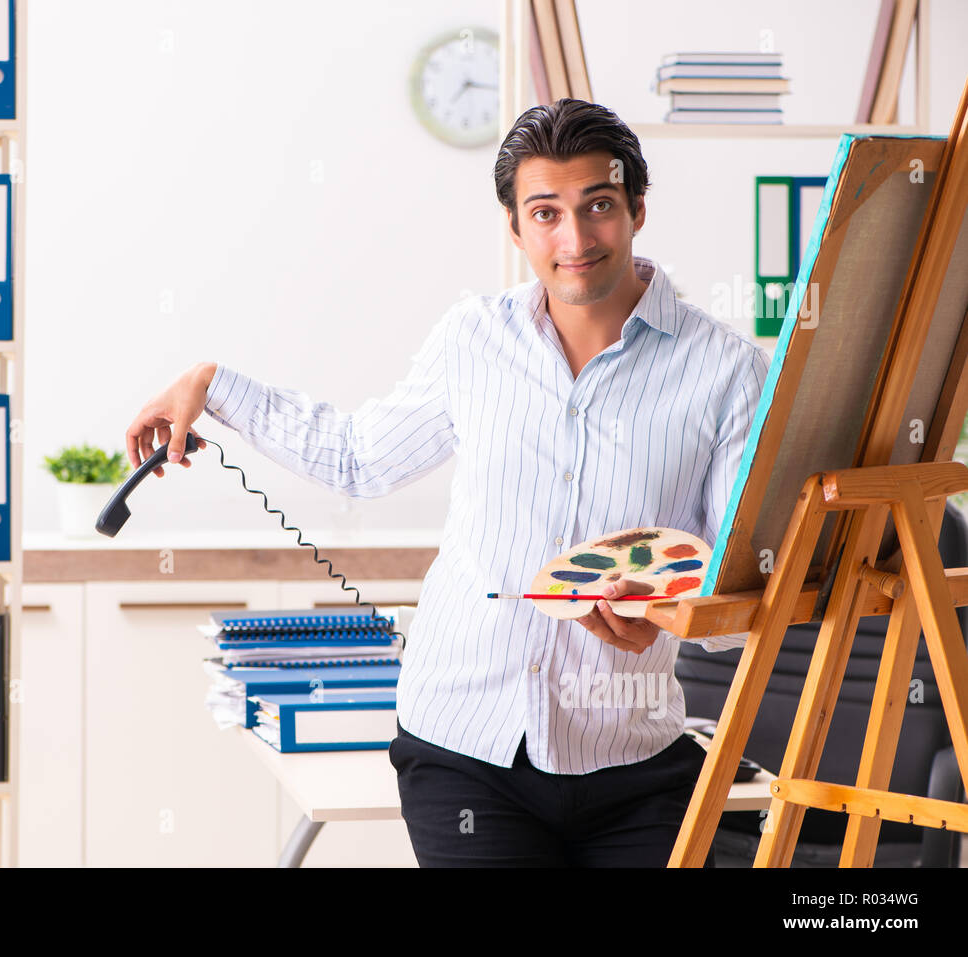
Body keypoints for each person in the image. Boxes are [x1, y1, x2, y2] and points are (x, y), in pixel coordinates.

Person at [125, 98, 770, 867]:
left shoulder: (728, 371)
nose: (574, 238)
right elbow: (358, 459)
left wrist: (672, 617)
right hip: (465, 751)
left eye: (597, 205)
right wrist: (215, 385)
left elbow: (741, 595)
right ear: (515, 227)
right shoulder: (473, 340)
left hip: (635, 759)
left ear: (635, 207)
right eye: (545, 213)